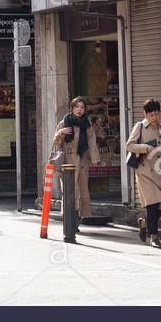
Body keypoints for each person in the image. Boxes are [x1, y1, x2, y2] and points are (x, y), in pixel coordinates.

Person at [125, 98, 161, 249]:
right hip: (145, 171)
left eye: (157, 114)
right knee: (152, 204)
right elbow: (129, 146)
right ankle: (154, 238)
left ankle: (144, 222)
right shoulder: (139, 127)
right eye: (151, 114)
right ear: (145, 114)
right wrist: (145, 147)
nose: (155, 117)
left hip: (160, 171)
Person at [55, 96, 101, 227]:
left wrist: (95, 159)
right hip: (68, 162)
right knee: (70, 191)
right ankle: (69, 220)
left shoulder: (87, 124)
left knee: (82, 190)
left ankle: (77, 220)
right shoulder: (65, 122)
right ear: (72, 108)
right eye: (77, 107)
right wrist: (60, 133)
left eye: (82, 107)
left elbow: (92, 143)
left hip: (82, 161)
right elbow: (56, 144)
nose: (80, 110)